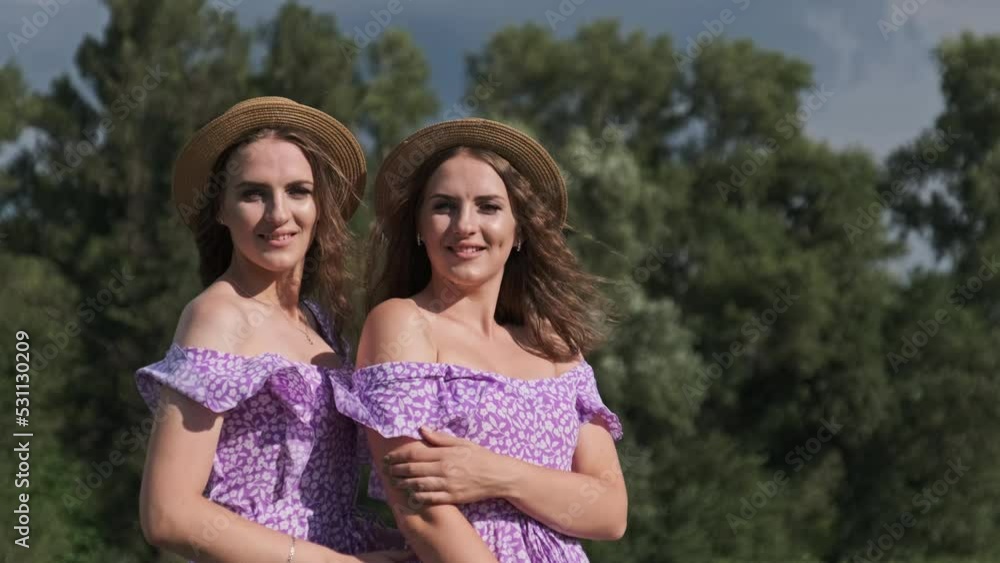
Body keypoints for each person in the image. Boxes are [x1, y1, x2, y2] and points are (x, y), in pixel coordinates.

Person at [334, 118, 628, 562]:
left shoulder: (555, 346)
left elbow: (609, 512)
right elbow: (422, 512)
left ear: (520, 230)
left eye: (488, 207)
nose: (465, 225)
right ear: (419, 227)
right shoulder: (402, 324)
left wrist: (497, 474)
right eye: (444, 206)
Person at [135, 97, 409, 563]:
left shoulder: (319, 323)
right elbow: (167, 514)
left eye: (298, 191)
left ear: (319, 206)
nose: (278, 213)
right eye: (253, 194)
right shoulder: (218, 317)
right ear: (220, 209)